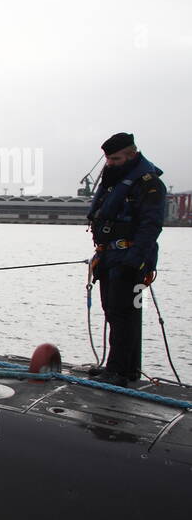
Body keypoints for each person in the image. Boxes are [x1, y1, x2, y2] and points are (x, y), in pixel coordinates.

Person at [86, 132, 166, 385]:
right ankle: (118, 366)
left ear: (132, 154)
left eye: (115, 158)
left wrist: (136, 258)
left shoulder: (148, 183)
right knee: (111, 310)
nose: (109, 163)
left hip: (130, 257)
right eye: (108, 159)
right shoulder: (116, 180)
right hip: (109, 255)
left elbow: (150, 225)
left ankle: (120, 371)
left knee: (124, 314)